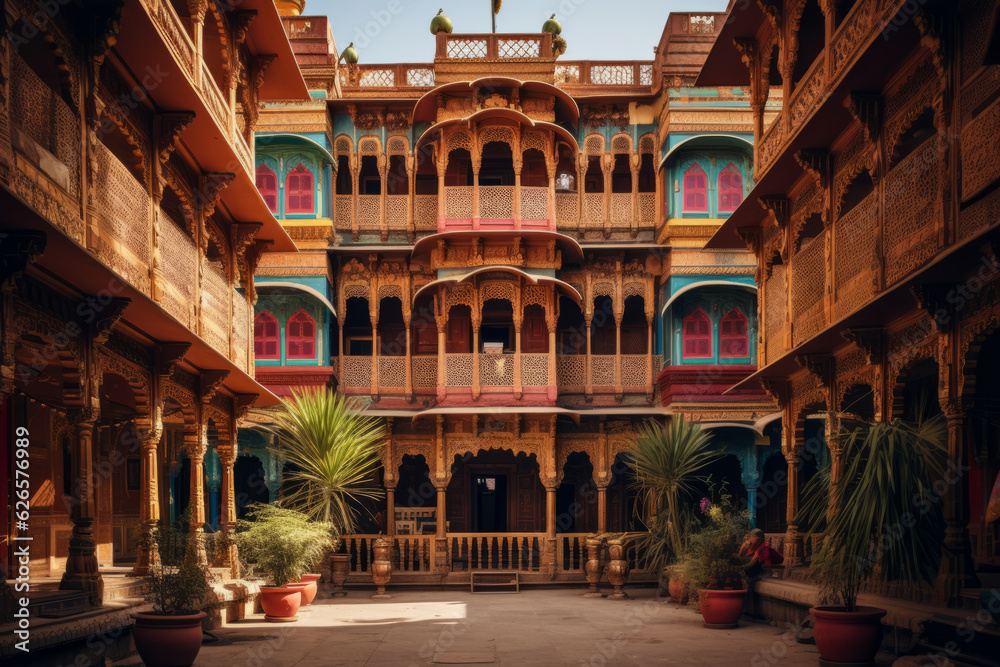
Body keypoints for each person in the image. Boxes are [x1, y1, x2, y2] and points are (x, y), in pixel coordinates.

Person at [738, 528, 783, 618]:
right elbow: (740, 559)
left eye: (752, 537)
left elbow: (766, 565)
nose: (750, 539)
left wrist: (755, 559)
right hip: (749, 571)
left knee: (750, 581)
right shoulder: (749, 546)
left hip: (761, 572)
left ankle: (748, 610)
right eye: (750, 537)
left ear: (758, 539)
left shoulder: (764, 549)